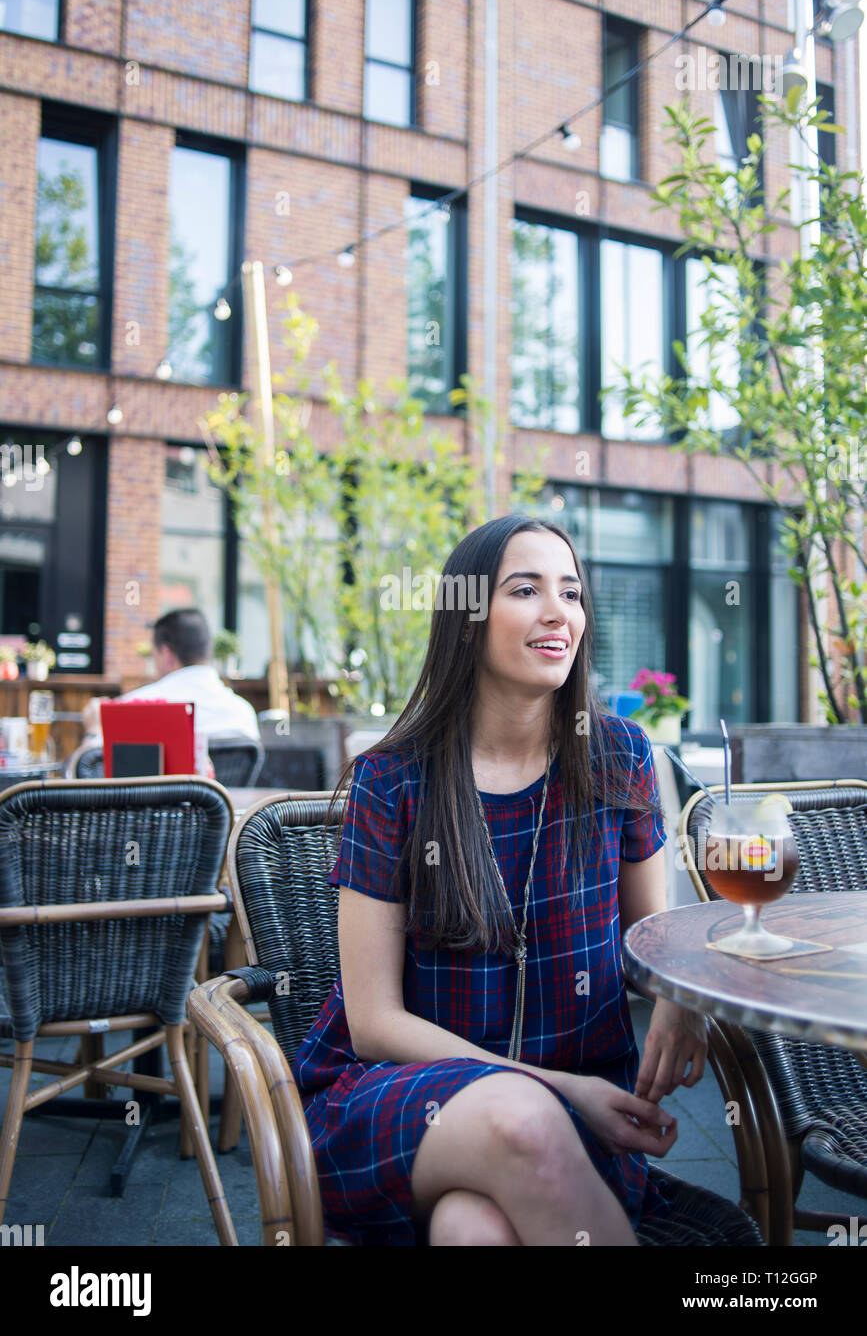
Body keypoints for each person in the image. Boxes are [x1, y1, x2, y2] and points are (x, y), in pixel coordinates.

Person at [292, 515, 707, 1247]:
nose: (558, 613)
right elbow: (373, 1023)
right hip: (401, 1101)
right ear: (467, 618)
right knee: (520, 1116)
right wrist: (554, 1088)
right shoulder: (393, 781)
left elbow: (653, 941)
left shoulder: (618, 756)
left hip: (581, 1116)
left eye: (571, 593)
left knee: (472, 1232)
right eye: (526, 590)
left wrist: (679, 994)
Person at [82, 608, 260, 743]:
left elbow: (90, 775)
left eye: (154, 655)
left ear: (166, 654)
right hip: (225, 793)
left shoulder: (132, 708)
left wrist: (94, 731)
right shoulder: (243, 713)